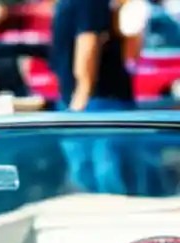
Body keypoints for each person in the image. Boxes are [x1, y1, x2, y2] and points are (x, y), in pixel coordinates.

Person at [51, 0, 135, 194]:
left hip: (96, 103)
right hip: (91, 101)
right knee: (90, 174)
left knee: (102, 177)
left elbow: (89, 40)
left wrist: (82, 93)